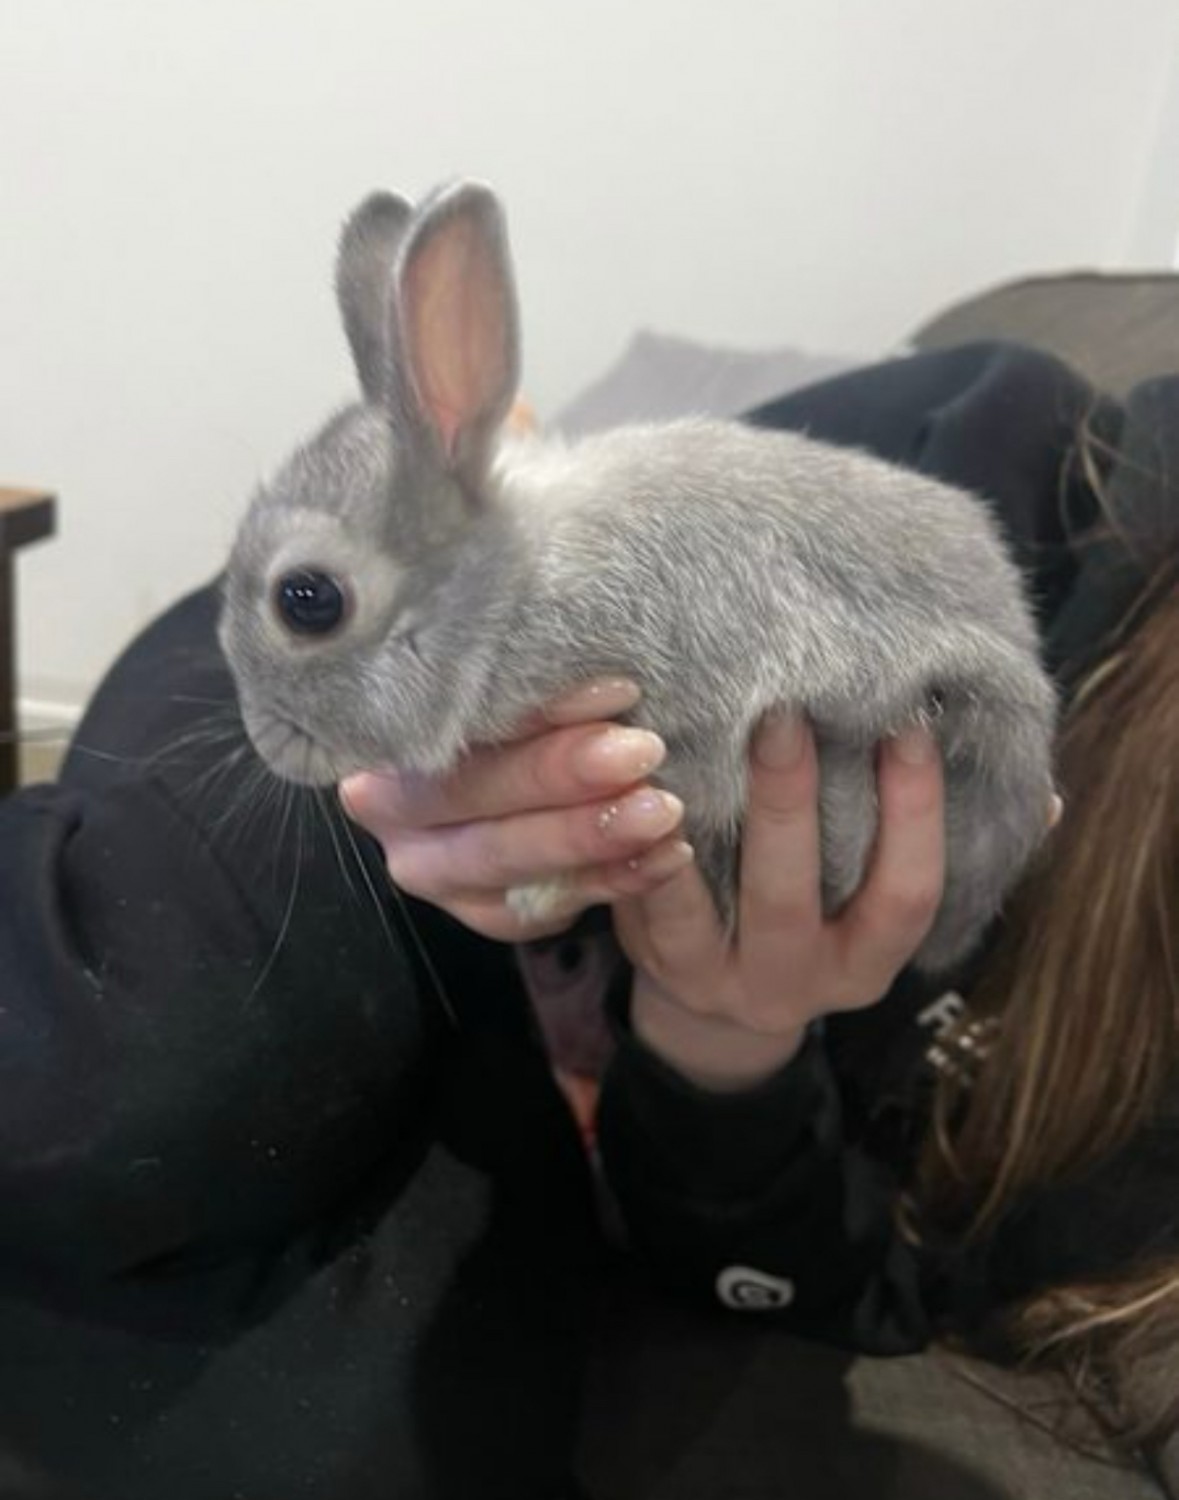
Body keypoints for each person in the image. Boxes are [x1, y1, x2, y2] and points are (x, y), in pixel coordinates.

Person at [0, 339, 1174, 1498]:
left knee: (350, 1438)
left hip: (556, 997)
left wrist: (726, 1040)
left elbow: (817, 1264)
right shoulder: (1028, 456)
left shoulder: (1113, 1197)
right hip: (357, 657)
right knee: (133, 1062)